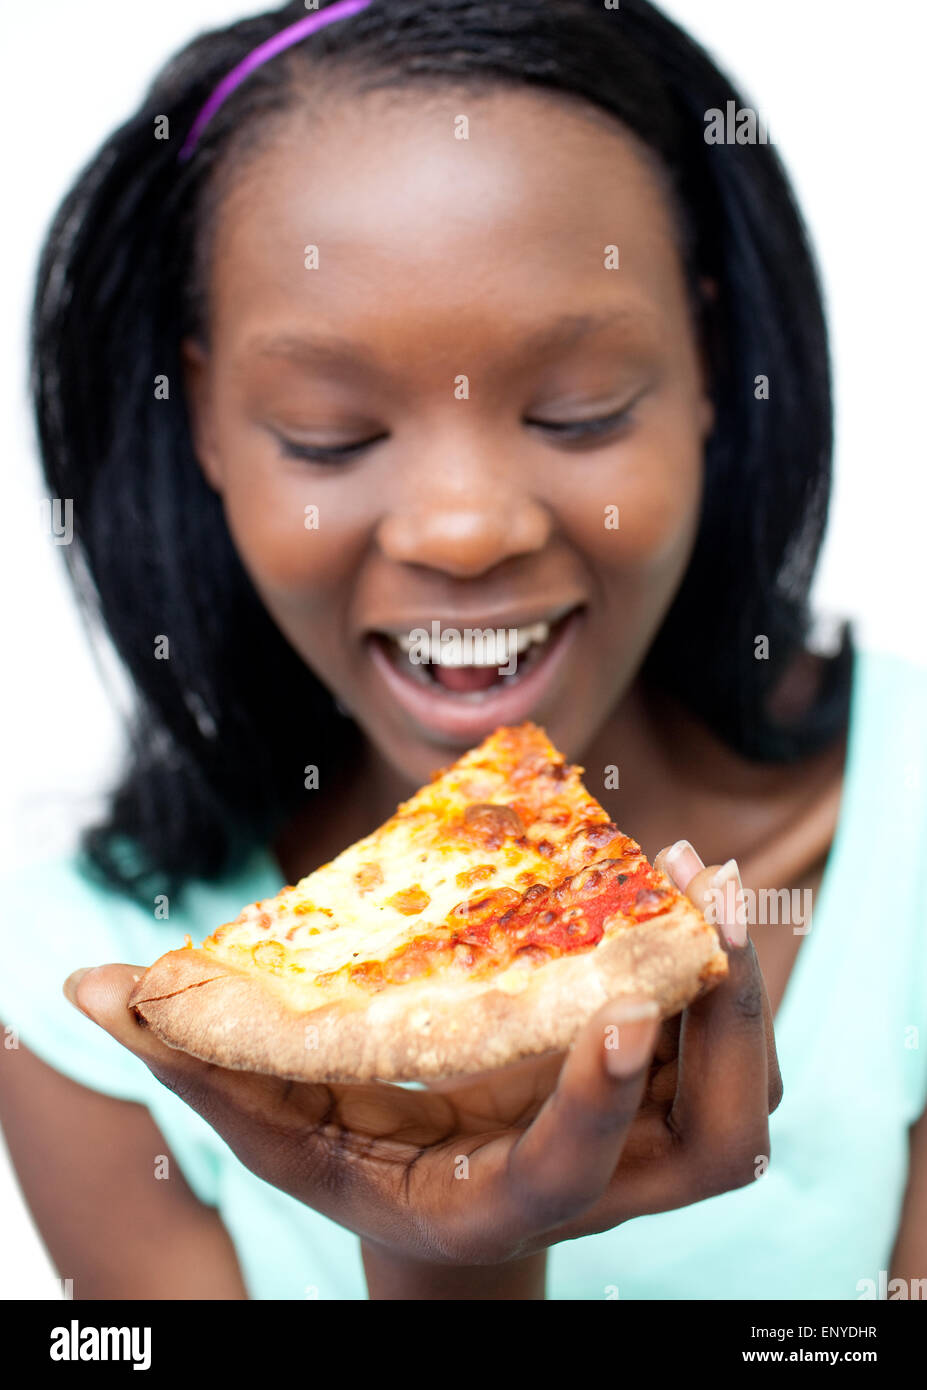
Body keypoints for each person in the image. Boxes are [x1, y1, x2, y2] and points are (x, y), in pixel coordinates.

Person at [1, 0, 924, 1301]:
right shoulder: (91, 1006)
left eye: (579, 408)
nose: (466, 528)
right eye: (329, 434)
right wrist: (440, 1262)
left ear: (711, 362)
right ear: (201, 415)